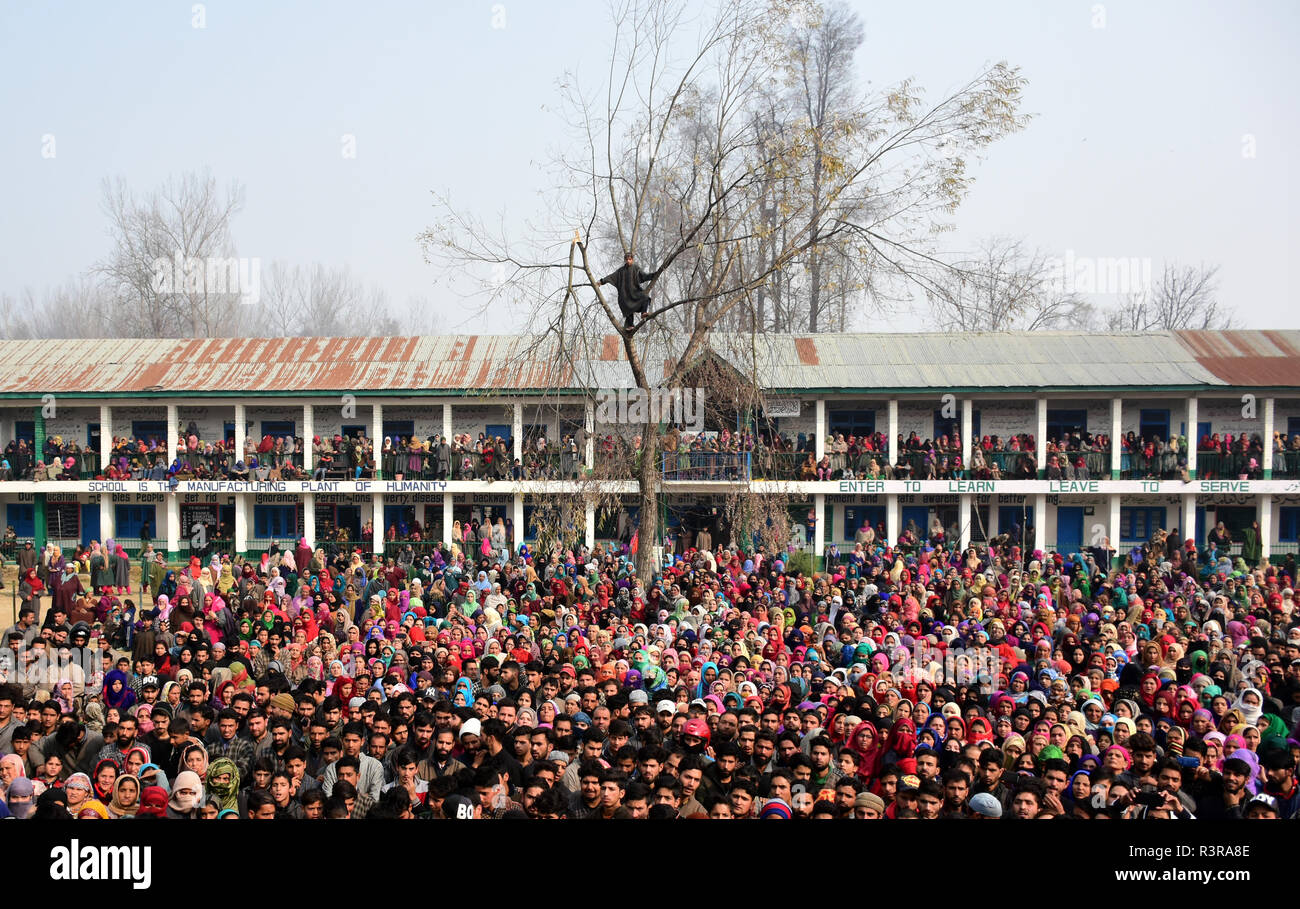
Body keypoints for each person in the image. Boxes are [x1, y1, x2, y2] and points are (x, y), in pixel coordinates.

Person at [598, 251, 660, 329]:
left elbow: (644, 276)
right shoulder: (620, 271)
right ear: (625, 260)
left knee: (645, 298)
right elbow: (611, 277)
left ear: (632, 260)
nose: (628, 261)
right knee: (626, 307)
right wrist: (601, 281)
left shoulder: (636, 268)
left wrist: (654, 275)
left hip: (635, 293)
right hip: (625, 296)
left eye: (630, 259)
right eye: (627, 259)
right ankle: (630, 326)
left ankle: (643, 312)